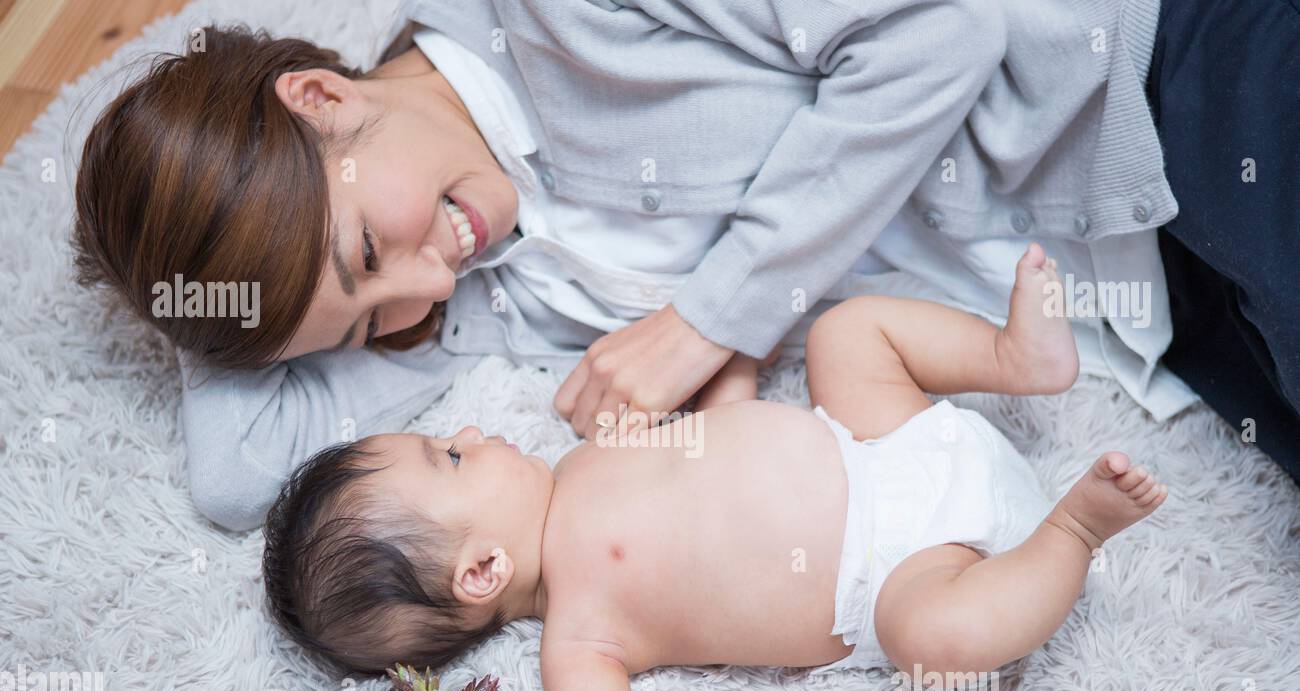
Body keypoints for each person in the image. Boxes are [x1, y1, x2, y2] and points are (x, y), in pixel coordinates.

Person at [71, 1, 1290, 536]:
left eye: (364, 251)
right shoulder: (482, 296)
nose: (426, 283)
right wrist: (212, 283)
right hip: (1151, 305)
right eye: (369, 318)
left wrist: (712, 316)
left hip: (1151, 74)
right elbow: (236, 482)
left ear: (322, 92)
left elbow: (939, 29)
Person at [259, 244, 1165, 691]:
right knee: (933, 644)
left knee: (844, 336)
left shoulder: (589, 455)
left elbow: (713, 431)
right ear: (483, 573)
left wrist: (738, 349)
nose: (465, 428)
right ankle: (1072, 534)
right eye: (449, 457)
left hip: (874, 437)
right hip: (907, 564)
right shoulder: (581, 636)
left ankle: (1015, 358)